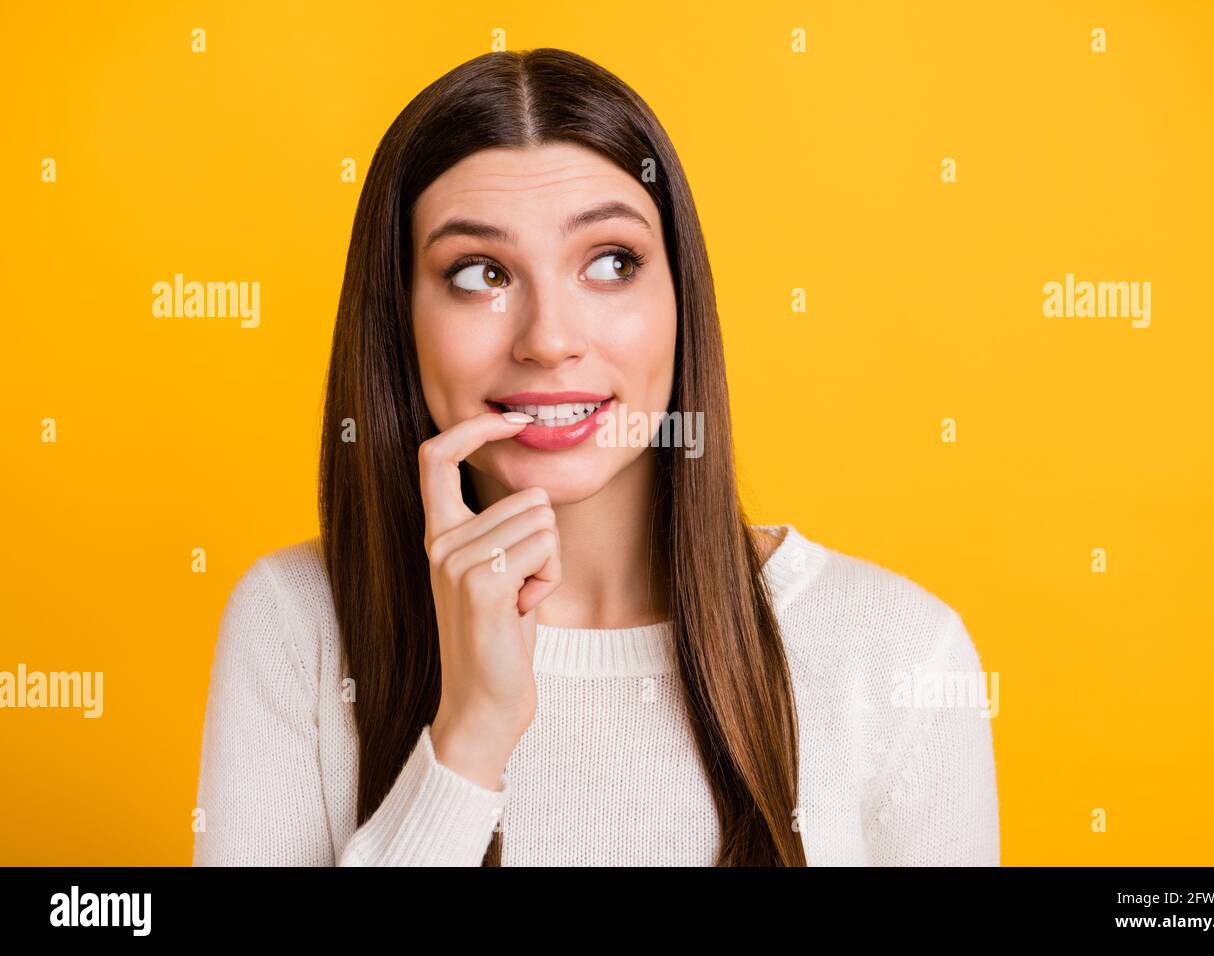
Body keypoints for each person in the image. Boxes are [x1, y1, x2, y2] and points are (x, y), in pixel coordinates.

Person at [191, 47, 999, 866]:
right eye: (480, 273)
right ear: (400, 317)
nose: (548, 339)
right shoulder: (296, 626)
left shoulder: (898, 651)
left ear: (680, 296)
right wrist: (468, 737)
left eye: (611, 264)